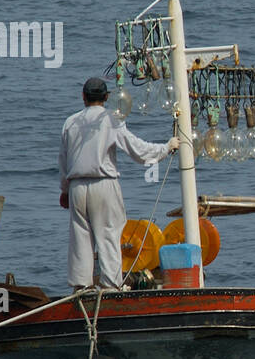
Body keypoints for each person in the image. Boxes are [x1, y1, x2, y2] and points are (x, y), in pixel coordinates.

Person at [59, 77, 180, 289]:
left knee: (80, 239)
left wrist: (65, 190)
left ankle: (81, 287)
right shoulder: (112, 119)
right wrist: (166, 148)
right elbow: (138, 151)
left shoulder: (70, 122)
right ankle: (110, 286)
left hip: (77, 186)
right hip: (104, 184)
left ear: (83, 97)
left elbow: (63, 160)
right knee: (109, 234)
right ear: (107, 98)